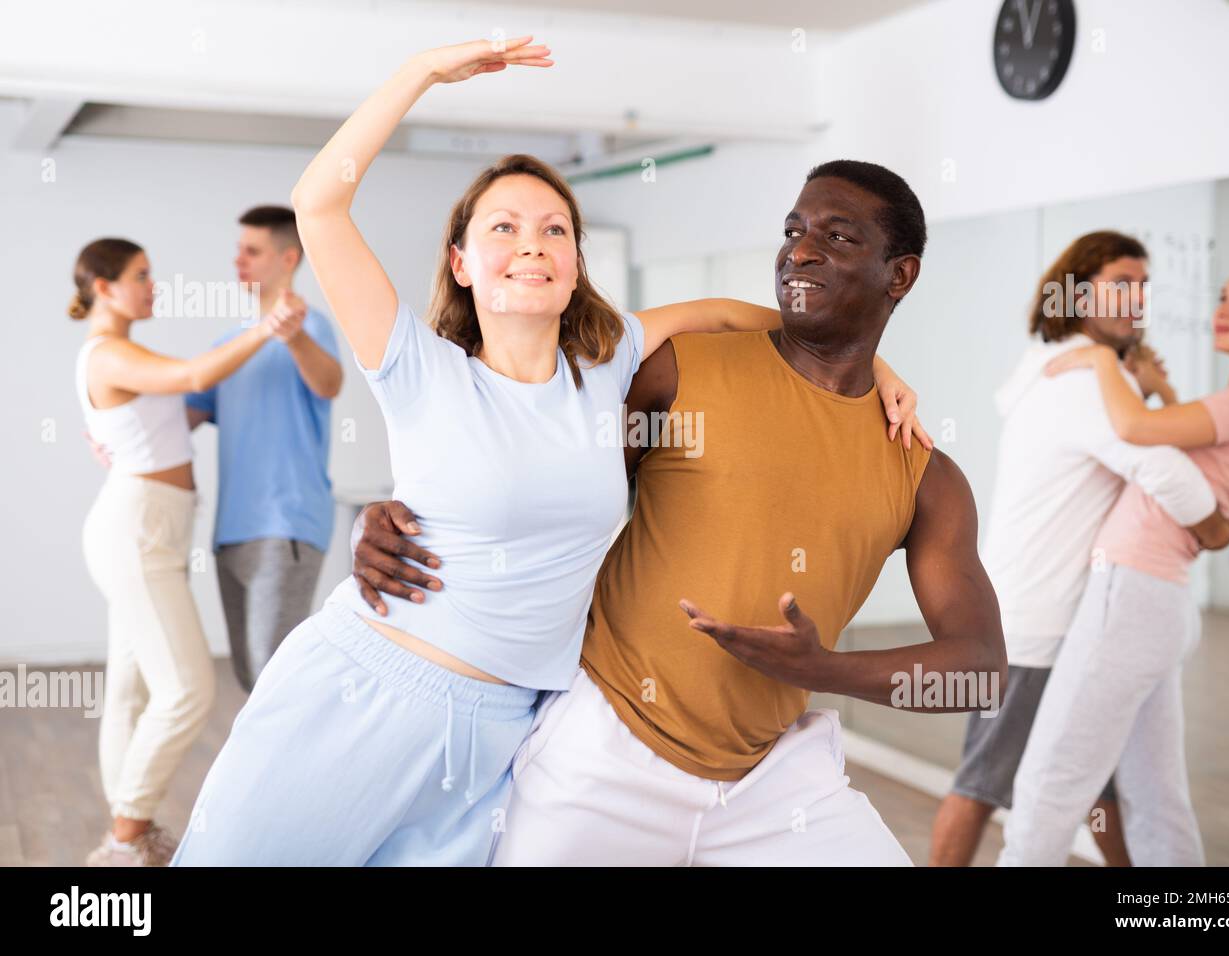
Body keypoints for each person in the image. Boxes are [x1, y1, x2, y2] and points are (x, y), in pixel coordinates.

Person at [169, 37, 924, 867]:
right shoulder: (417, 365)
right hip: (366, 691)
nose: (531, 242)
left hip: (504, 733)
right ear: (460, 263)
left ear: (572, 268)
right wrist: (422, 74)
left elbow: (762, 319)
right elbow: (318, 205)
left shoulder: (608, 369)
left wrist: (879, 366)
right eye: (503, 227)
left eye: (553, 228)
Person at [354, 156, 1009, 866]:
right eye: (794, 230)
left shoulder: (925, 476)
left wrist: (823, 669)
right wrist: (388, 515)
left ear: (900, 275)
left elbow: (978, 669)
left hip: (770, 781)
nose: (802, 249)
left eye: (839, 237)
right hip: (602, 754)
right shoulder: (679, 369)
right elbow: (520, 474)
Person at [929, 231, 1229, 867]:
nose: (1137, 299)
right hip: (1035, 626)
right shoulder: (1079, 381)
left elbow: (1134, 450)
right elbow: (1163, 471)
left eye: (1144, 285)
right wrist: (1215, 528)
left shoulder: (1078, 374)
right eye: (1121, 282)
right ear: (1075, 290)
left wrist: (1146, 390)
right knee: (983, 784)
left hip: (1078, 624)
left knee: (1105, 788)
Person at [998, 259, 1229, 866]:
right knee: (1156, 798)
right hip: (1155, 603)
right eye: (1222, 295)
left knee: (1048, 784)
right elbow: (1195, 457)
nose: (1223, 309)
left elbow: (1136, 430)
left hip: (1131, 598)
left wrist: (1102, 360)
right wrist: (1162, 390)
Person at [73, 237, 290, 865]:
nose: (153, 286)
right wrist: (267, 328)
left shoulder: (120, 352)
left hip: (149, 530)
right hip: (136, 534)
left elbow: (175, 408)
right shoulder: (110, 353)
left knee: (130, 689)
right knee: (188, 689)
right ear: (105, 287)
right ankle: (126, 839)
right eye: (142, 276)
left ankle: (126, 831)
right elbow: (196, 376)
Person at [186, 205, 342, 693]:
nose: (240, 261)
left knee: (273, 676)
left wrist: (291, 338)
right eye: (238, 251)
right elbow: (182, 417)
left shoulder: (312, 329)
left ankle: (300, 771)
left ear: (288, 258)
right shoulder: (231, 343)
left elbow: (329, 383)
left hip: (286, 523)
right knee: (250, 676)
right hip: (231, 530)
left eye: (252, 251)